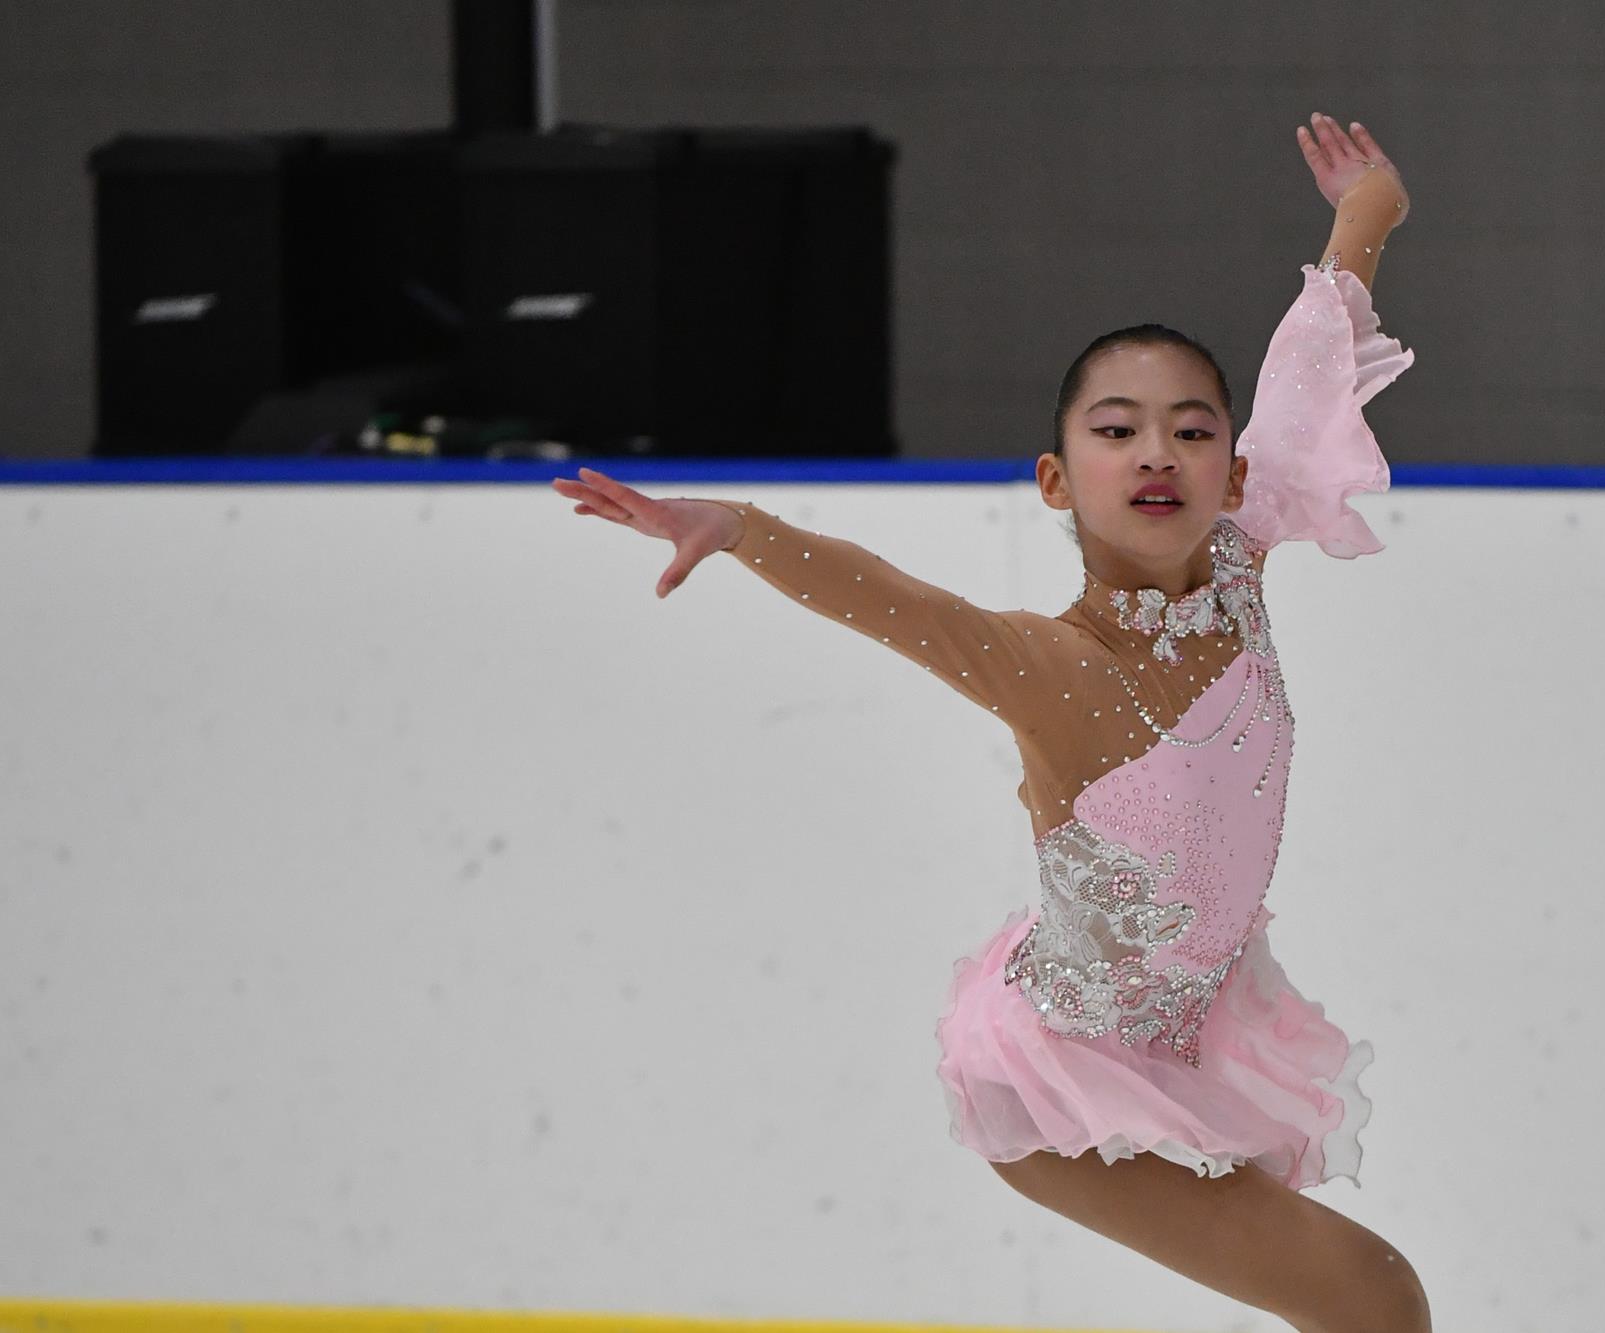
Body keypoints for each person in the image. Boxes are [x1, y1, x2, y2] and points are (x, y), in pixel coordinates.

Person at [552, 112, 1431, 1333]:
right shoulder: (1049, 667)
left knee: (1367, 1303)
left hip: (1198, 1017)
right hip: (1067, 1083)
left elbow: (1302, 373)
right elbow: (899, 603)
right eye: (1114, 430)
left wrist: (1365, 211)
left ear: (1232, 475)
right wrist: (742, 528)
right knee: (1374, 1298)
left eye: (1190, 429)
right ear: (1055, 481)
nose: (1157, 451)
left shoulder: (1237, 567)